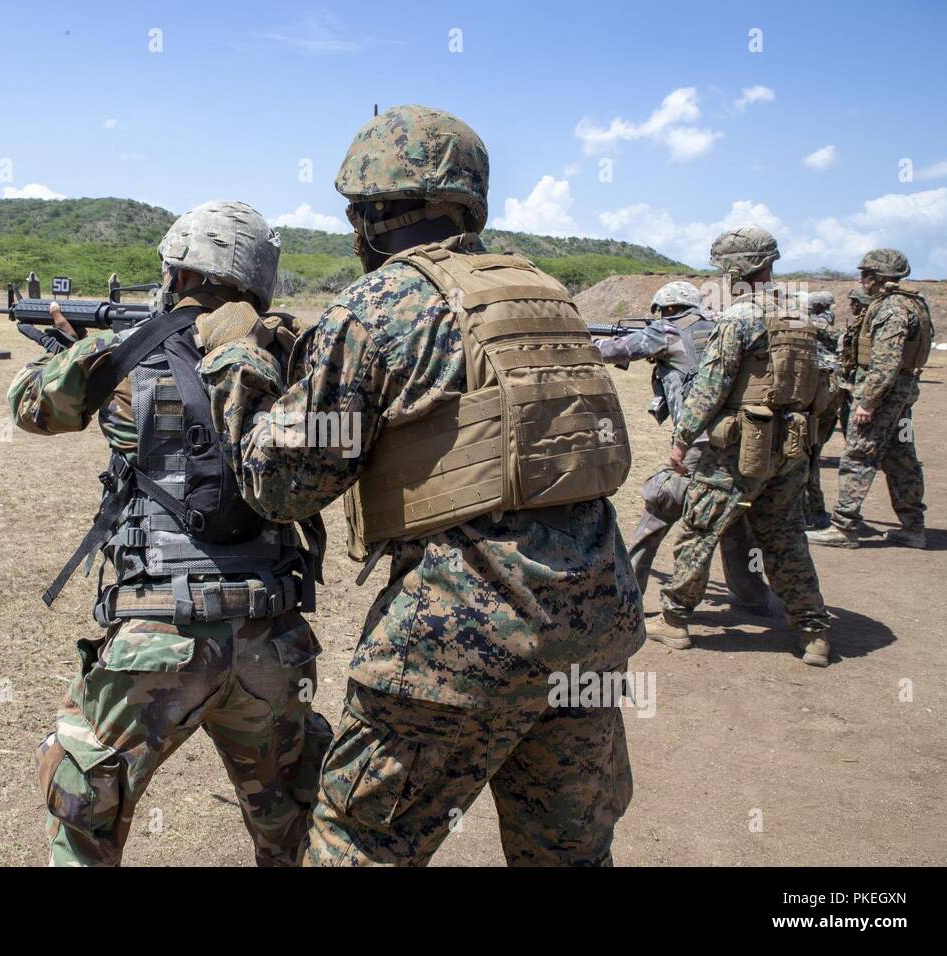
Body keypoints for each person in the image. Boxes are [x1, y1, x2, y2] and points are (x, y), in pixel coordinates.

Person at [199, 105, 645, 866]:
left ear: (368, 217)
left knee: (360, 847)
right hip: (592, 631)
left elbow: (281, 485)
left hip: (459, 645)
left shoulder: (376, 307)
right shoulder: (545, 294)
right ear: (470, 202)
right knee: (570, 854)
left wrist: (238, 361)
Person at [9, 200, 332, 866]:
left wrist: (70, 354)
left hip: (158, 638)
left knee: (82, 816)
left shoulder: (126, 350)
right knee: (292, 828)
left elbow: (32, 408)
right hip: (273, 634)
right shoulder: (292, 357)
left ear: (180, 270)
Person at [645, 227, 834, 667]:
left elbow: (710, 389)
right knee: (786, 537)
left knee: (699, 527)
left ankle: (673, 619)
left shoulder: (740, 317)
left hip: (738, 448)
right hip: (791, 447)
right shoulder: (800, 318)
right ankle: (812, 631)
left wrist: (682, 438)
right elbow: (823, 388)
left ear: (736, 269)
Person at [597, 280, 772, 612]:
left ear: (669, 308)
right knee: (733, 517)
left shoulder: (669, 330)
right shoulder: (719, 327)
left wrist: (582, 340)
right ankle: (753, 595)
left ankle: (627, 596)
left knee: (659, 509)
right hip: (738, 440)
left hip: (698, 441)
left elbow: (616, 351)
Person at [807, 249, 932, 549]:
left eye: (866, 275)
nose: (862, 280)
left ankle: (844, 527)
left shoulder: (891, 309)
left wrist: (868, 402)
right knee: (900, 458)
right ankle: (913, 527)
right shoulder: (914, 303)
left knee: (858, 456)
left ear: (879, 277)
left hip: (882, 395)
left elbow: (885, 363)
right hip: (900, 394)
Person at [803, 291, 843, 530]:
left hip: (815, 397)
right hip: (831, 396)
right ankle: (815, 511)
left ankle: (811, 512)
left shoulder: (805, 328)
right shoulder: (832, 329)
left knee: (802, 457)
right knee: (812, 454)